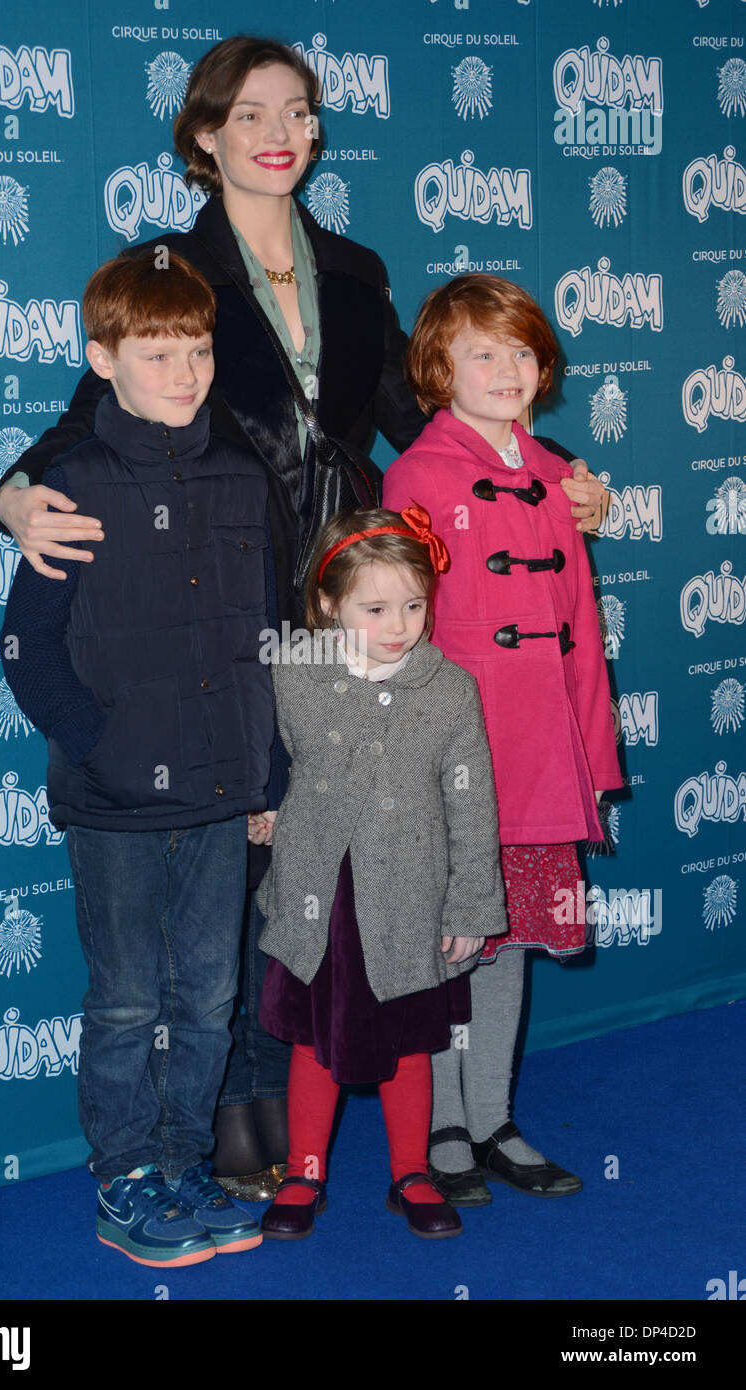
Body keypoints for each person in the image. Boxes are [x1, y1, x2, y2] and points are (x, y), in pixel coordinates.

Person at [0, 36, 609, 1198]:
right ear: (206, 135)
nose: (283, 129)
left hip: (345, 599)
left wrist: (557, 464)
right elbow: (91, 408)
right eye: (253, 110)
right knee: (235, 841)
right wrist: (14, 493)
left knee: (314, 856)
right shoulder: (173, 267)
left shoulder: (361, 272)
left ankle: (305, 1073)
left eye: (303, 110)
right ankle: (236, 1102)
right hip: (220, 596)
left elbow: (427, 413)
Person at [0, 250, 277, 1266]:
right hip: (115, 799)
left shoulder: (242, 477)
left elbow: (261, 639)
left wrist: (268, 777)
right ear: (101, 359)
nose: (184, 372)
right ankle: (124, 1175)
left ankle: (183, 1157)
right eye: (156, 353)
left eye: (197, 350)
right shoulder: (68, 484)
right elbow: (26, 647)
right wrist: (103, 746)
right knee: (126, 997)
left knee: (208, 993)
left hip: (219, 790)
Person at [382, 274, 623, 1206]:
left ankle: (492, 1118)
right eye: (483, 351)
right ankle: (441, 1121)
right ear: (439, 369)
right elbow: (397, 633)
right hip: (457, 762)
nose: (508, 368)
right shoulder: (415, 477)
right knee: (452, 942)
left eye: (522, 350)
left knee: (510, 940)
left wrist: (587, 754)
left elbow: (579, 630)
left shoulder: (560, 475)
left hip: (539, 760)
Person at [252, 507, 509, 1241]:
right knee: (311, 1035)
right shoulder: (292, 669)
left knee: (405, 1039)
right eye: (374, 608)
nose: (398, 624)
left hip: (409, 896)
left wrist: (468, 904)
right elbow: (262, 752)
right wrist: (264, 807)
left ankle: (412, 1172)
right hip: (319, 892)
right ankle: (304, 1170)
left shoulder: (449, 689)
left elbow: (472, 805)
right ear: (329, 604)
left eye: (413, 605)